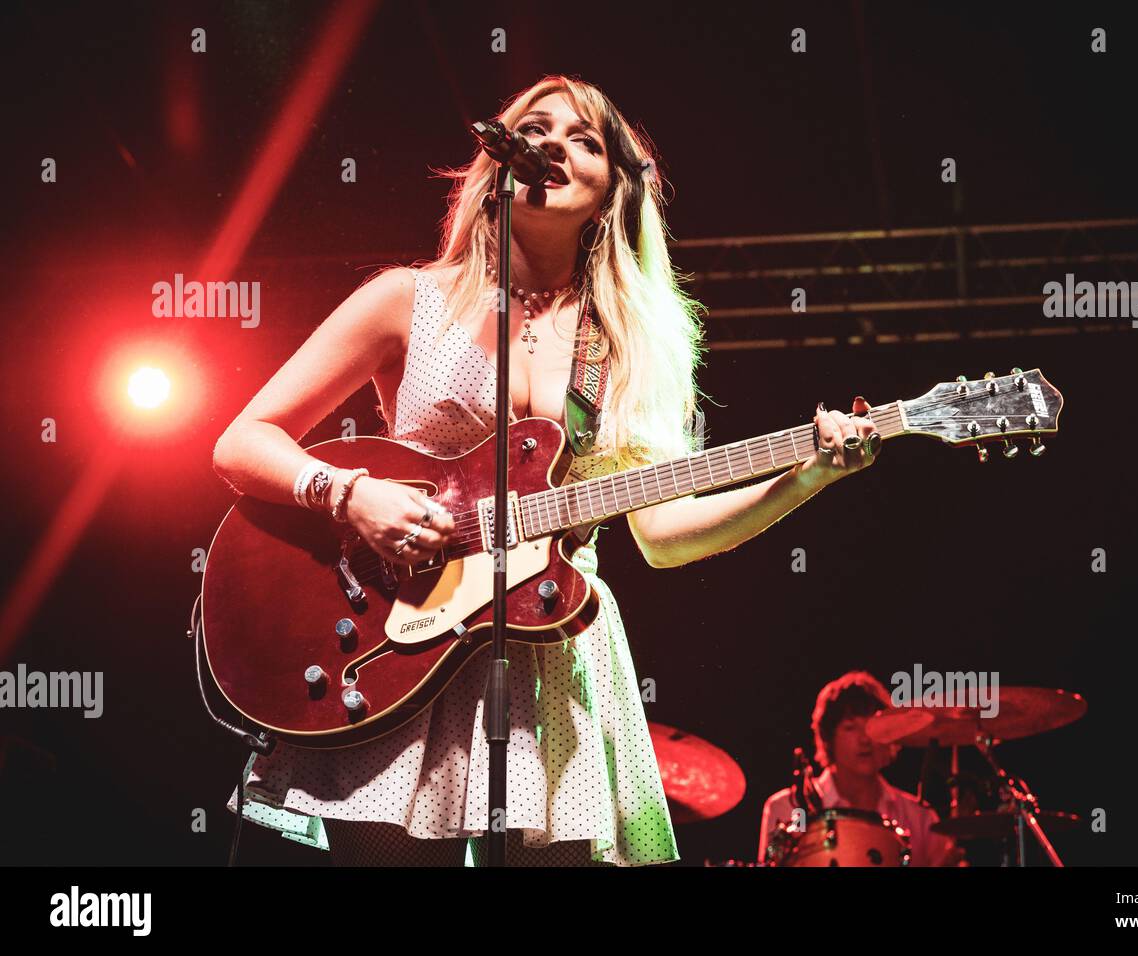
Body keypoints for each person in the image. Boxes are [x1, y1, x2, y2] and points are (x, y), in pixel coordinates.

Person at [212, 74, 881, 867]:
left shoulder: (631, 342)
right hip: (393, 638)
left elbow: (663, 536)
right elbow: (242, 441)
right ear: (497, 160)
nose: (554, 145)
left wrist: (804, 475)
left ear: (610, 192)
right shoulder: (407, 299)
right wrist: (353, 494)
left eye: (585, 139)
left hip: (547, 648)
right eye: (536, 127)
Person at [758, 670, 963, 866]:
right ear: (829, 739)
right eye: (850, 727)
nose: (864, 739)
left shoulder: (920, 817)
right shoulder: (789, 808)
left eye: (872, 726)